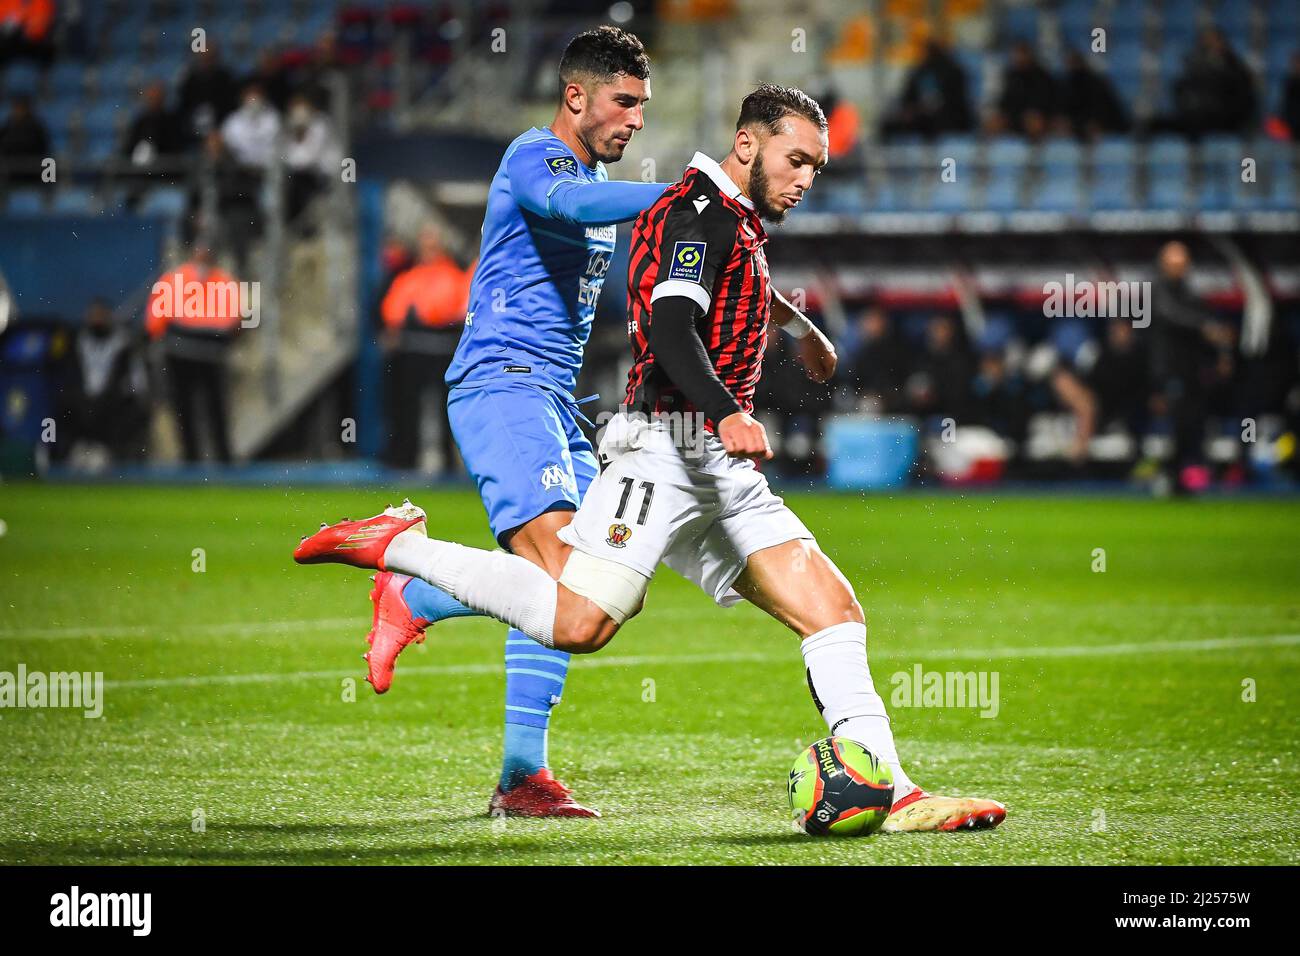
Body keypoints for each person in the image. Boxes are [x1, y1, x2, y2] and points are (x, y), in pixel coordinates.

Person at [295, 84, 1006, 834]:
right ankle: (399, 550)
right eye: (795, 160)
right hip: (663, 451)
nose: (805, 179)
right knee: (578, 621)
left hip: (719, 471)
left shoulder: (732, 217)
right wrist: (728, 410)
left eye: (816, 169)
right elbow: (672, 326)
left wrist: (800, 330)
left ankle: (892, 792)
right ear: (747, 145)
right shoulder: (698, 210)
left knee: (833, 610)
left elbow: (731, 284)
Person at [313, 26, 670, 818]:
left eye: (643, 107)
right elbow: (570, 203)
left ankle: (512, 760)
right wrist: (677, 196)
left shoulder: (597, 185)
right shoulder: (533, 159)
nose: (636, 121)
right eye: (625, 102)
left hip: (556, 403)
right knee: (569, 579)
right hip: (503, 386)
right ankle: (406, 565)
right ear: (575, 96)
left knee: (594, 594)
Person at [379, 224, 472, 472]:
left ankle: (448, 464)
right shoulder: (409, 277)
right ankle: (403, 460)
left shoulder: (452, 275)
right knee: (406, 408)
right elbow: (393, 312)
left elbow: (456, 310)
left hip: (443, 352)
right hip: (413, 352)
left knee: (447, 409)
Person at [145, 245, 244, 463]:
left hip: (201, 356)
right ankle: (200, 457)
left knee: (208, 408)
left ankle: (214, 456)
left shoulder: (220, 281)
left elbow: (234, 320)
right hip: (188, 355)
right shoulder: (178, 279)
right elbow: (155, 320)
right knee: (192, 408)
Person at [1149, 241, 1234, 492]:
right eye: (1174, 263)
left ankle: (1184, 475)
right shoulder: (1156, 290)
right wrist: (1206, 328)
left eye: (1182, 263)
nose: (1179, 268)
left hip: (1192, 371)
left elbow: (1206, 322)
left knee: (1193, 423)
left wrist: (1221, 351)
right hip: (1167, 370)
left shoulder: (1190, 293)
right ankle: (1168, 475)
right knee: (1176, 424)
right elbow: (1173, 315)